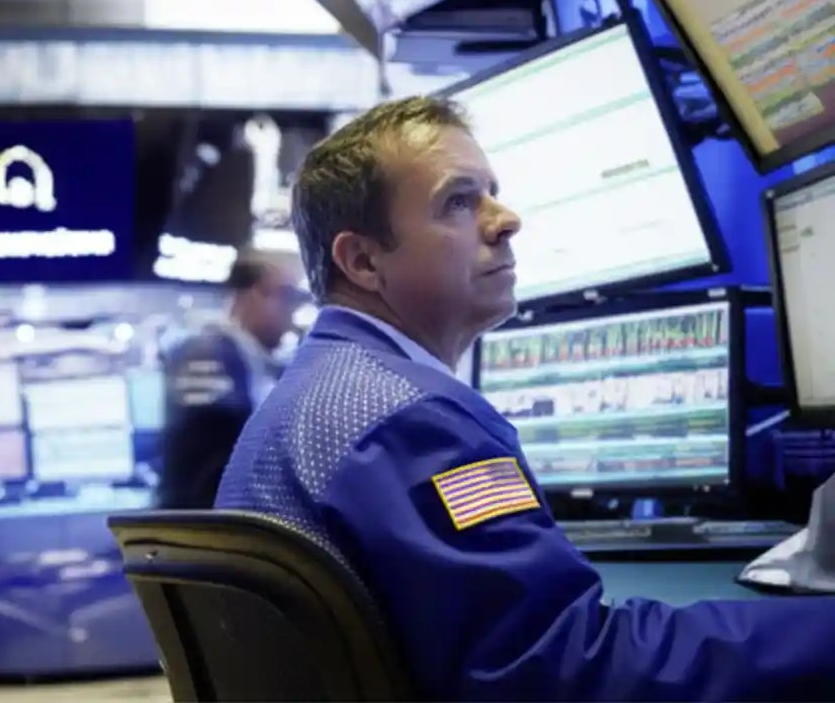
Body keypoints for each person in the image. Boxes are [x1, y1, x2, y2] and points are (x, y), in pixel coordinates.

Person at [215, 96, 835, 700]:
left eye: (492, 191)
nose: (505, 218)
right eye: (459, 202)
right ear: (363, 260)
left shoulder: (320, 391)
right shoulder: (407, 418)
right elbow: (566, 670)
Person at [157, 255, 296, 509]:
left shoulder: (262, 362)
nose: (292, 313)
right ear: (253, 295)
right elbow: (213, 457)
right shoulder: (204, 354)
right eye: (286, 297)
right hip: (203, 526)